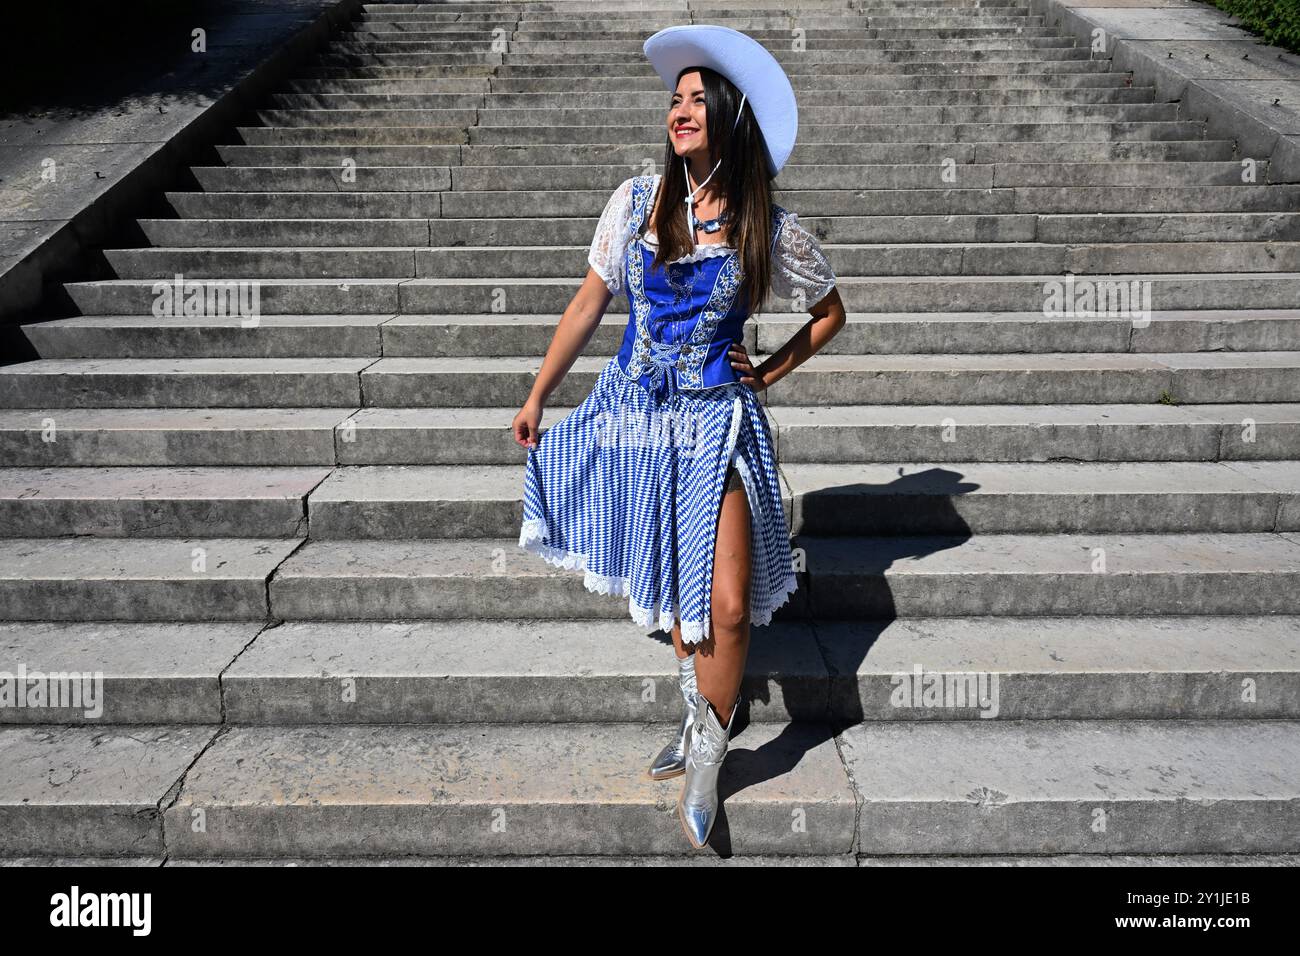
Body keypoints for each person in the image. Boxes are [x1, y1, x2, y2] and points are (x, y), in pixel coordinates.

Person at [510, 24, 846, 849]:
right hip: (634, 421)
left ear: (729, 116)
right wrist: (537, 392)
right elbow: (590, 303)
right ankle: (699, 717)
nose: (681, 109)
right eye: (675, 98)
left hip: (715, 422)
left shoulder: (769, 226)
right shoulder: (634, 202)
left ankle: (708, 754)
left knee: (727, 608)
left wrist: (765, 372)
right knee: (675, 595)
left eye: (699, 98)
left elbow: (831, 313)